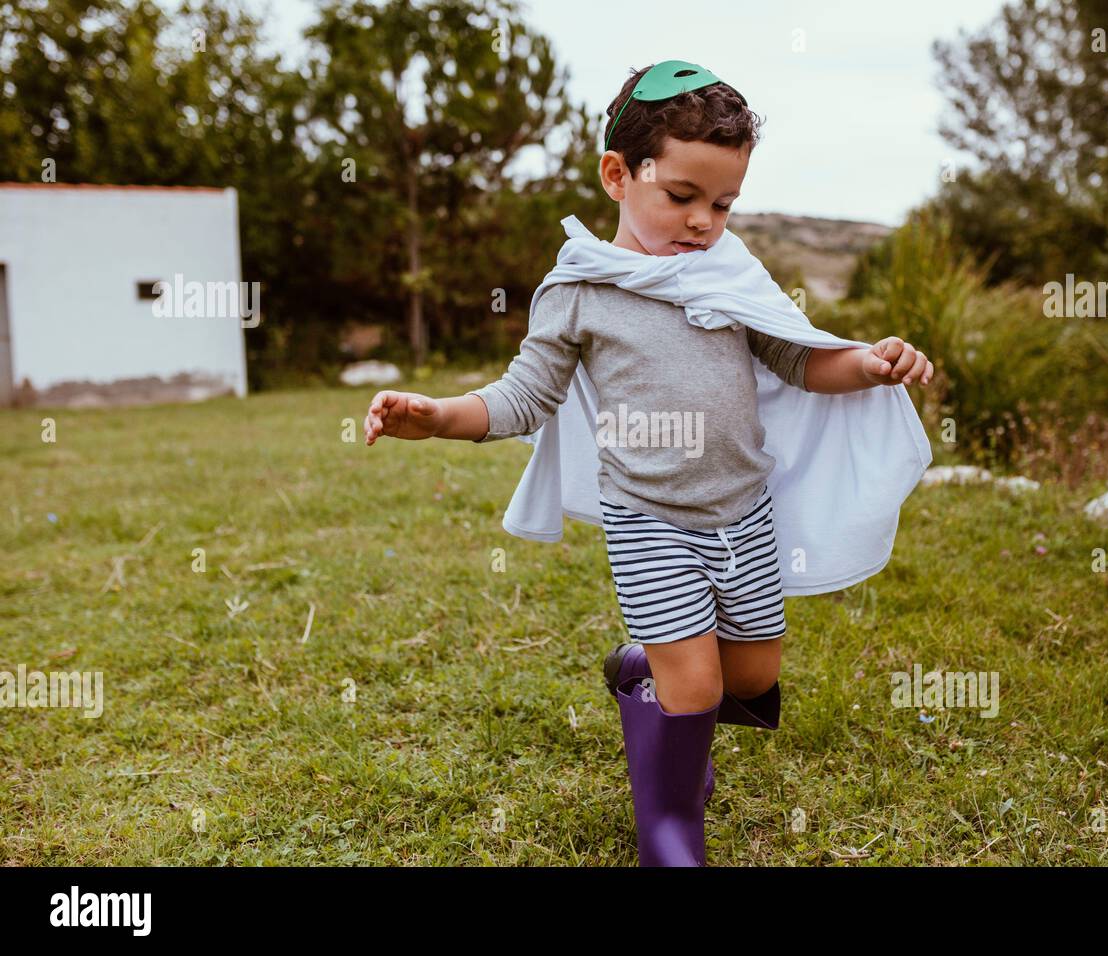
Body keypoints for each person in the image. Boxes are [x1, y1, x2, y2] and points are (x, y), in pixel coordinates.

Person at [363, 60, 934, 867]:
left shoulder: (729, 271)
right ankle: (669, 825)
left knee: (749, 681)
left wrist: (867, 364)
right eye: (682, 197)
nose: (704, 221)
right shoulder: (581, 290)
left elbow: (802, 361)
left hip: (744, 512)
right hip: (650, 516)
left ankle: (645, 669)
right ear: (618, 174)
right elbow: (524, 395)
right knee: (696, 690)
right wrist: (437, 418)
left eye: (724, 203)